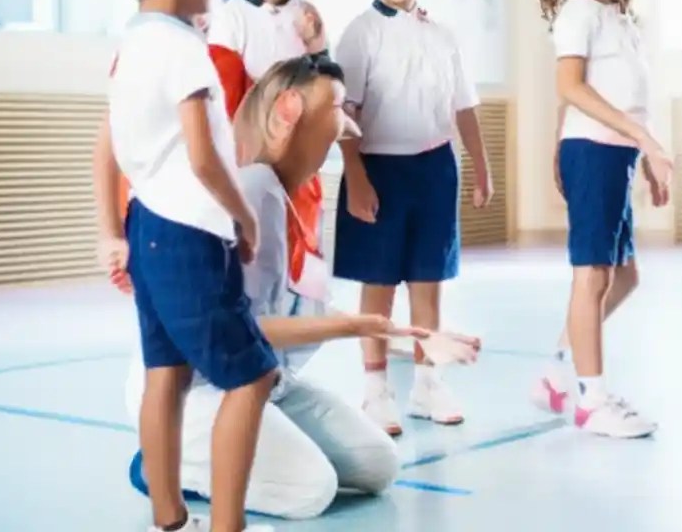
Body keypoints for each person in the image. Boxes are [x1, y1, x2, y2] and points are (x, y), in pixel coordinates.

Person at [121, 55, 481, 520]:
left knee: (377, 465)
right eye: (333, 106)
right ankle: (161, 465)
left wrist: (403, 332)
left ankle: (251, 452)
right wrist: (357, 325)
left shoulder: (289, 199)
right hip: (207, 390)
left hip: (273, 384)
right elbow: (239, 329)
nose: (344, 120)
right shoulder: (252, 196)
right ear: (289, 112)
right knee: (310, 491)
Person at [99, 0, 275, 532]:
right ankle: (230, 525)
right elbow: (203, 157)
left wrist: (112, 229)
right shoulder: (183, 48)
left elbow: (111, 146)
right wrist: (244, 218)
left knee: (164, 375)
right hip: (189, 232)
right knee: (254, 378)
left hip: (149, 225)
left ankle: (169, 516)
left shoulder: (130, 46)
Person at [333, 0, 493, 436]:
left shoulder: (443, 35)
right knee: (377, 285)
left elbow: (464, 107)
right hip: (380, 168)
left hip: (434, 168)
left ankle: (428, 381)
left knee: (429, 280)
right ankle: (376, 390)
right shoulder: (361, 33)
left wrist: (481, 165)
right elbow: (345, 113)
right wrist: (356, 177)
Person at [530, 0, 673, 439]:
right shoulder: (579, 11)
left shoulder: (619, 15)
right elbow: (570, 87)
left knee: (625, 276)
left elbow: (629, 94)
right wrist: (642, 141)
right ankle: (590, 399)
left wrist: (647, 156)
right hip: (594, 151)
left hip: (617, 154)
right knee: (592, 276)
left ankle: (557, 371)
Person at [205, 0, 329, 296]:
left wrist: (318, 49)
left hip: (302, 171)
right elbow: (227, 105)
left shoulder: (307, 17)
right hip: (255, 167)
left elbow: (328, 92)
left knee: (303, 274)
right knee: (257, 270)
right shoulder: (230, 19)